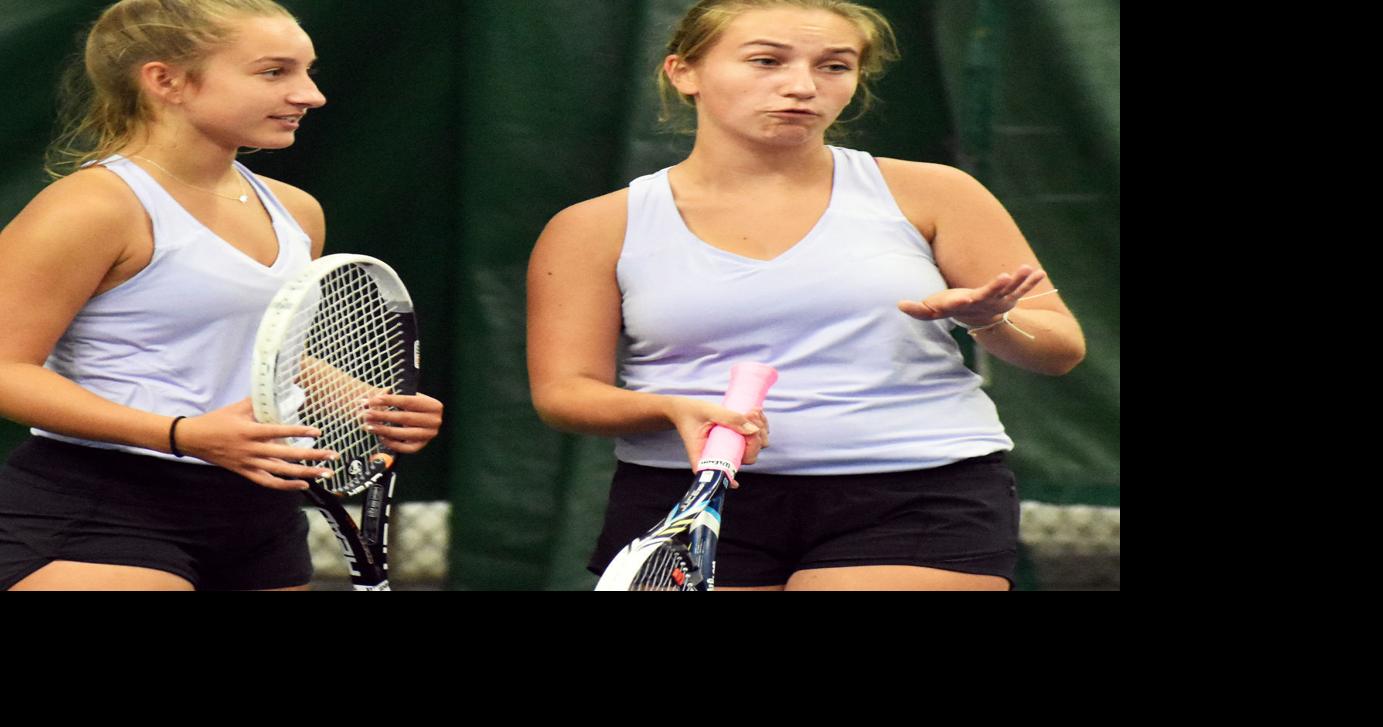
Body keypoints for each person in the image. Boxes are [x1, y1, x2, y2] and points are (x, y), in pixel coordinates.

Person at [527, 0, 1085, 590]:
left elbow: (1060, 348)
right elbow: (565, 392)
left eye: (834, 66)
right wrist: (673, 409)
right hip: (689, 492)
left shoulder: (938, 194)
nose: (801, 86)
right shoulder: (593, 227)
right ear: (683, 72)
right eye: (766, 61)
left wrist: (993, 323)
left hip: (919, 491)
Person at [0, 0, 443, 591]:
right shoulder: (92, 207)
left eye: (308, 71)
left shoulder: (298, 211)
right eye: (273, 72)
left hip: (257, 514)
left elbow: (255, 353)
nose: (311, 95)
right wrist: (182, 434)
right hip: (100, 506)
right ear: (166, 81)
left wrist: (362, 405)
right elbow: (6, 369)